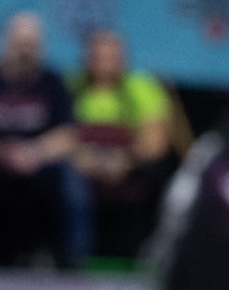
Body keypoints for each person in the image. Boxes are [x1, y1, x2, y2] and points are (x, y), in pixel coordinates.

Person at [0, 12, 86, 269]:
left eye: (31, 45)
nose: (25, 52)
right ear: (5, 43)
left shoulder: (53, 83)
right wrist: (0, 152)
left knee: (71, 176)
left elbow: (69, 134)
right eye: (20, 44)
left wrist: (34, 153)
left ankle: (71, 263)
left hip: (40, 162)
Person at [68, 30, 175, 258]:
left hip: (128, 168)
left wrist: (125, 161)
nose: (106, 64)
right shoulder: (72, 87)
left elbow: (156, 142)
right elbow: (60, 135)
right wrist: (88, 161)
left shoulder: (141, 87)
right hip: (82, 170)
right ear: (88, 59)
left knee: (156, 172)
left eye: (112, 57)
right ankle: (70, 258)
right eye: (99, 57)